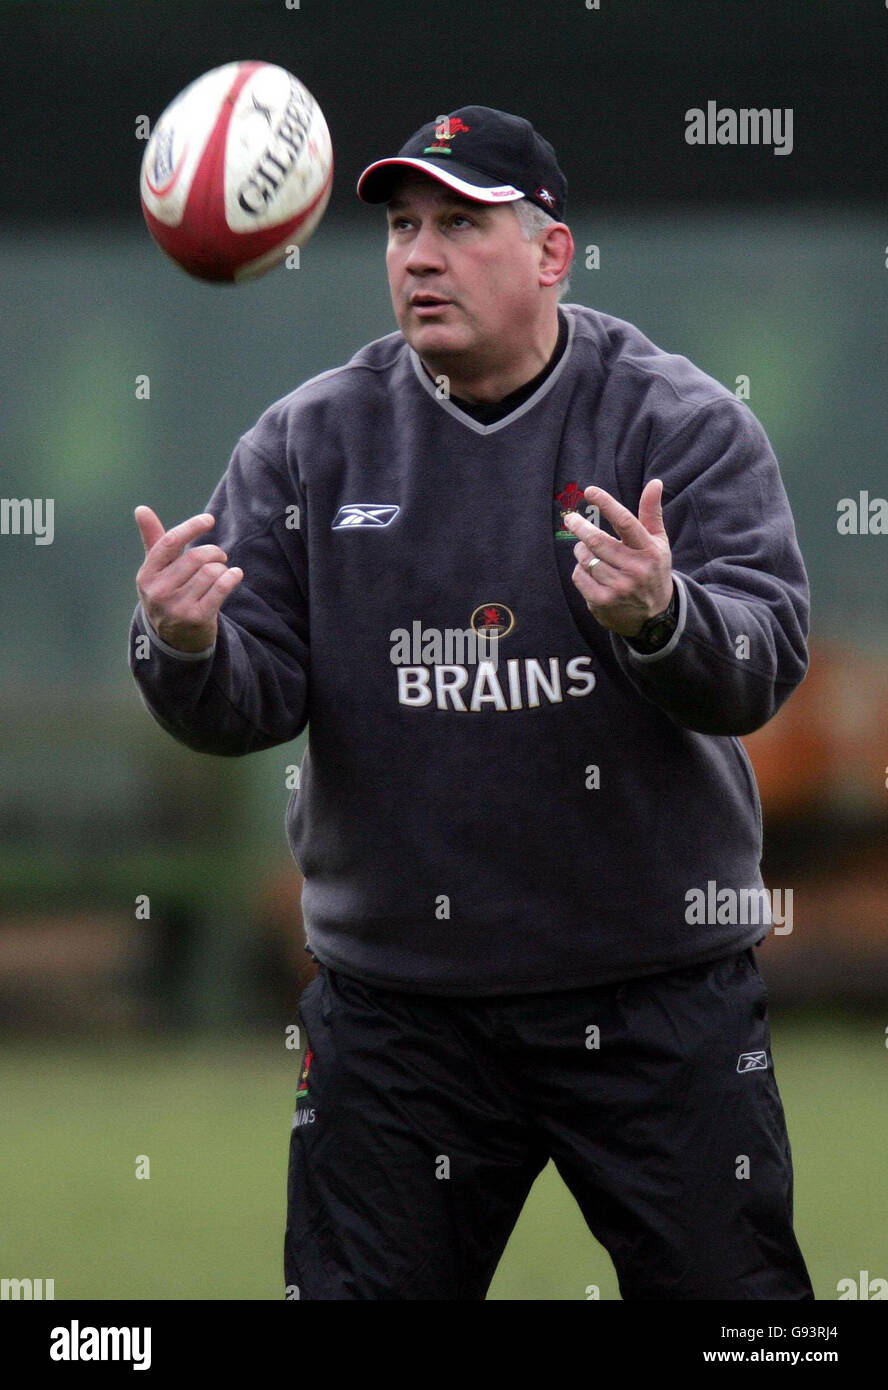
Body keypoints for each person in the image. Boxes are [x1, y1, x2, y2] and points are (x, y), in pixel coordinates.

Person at [129, 106, 814, 1301]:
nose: (419, 255)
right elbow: (250, 697)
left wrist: (664, 617)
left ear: (552, 252)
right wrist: (182, 643)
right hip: (402, 1020)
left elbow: (762, 662)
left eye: (459, 223)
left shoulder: (677, 423)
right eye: (402, 227)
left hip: (654, 996)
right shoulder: (309, 444)